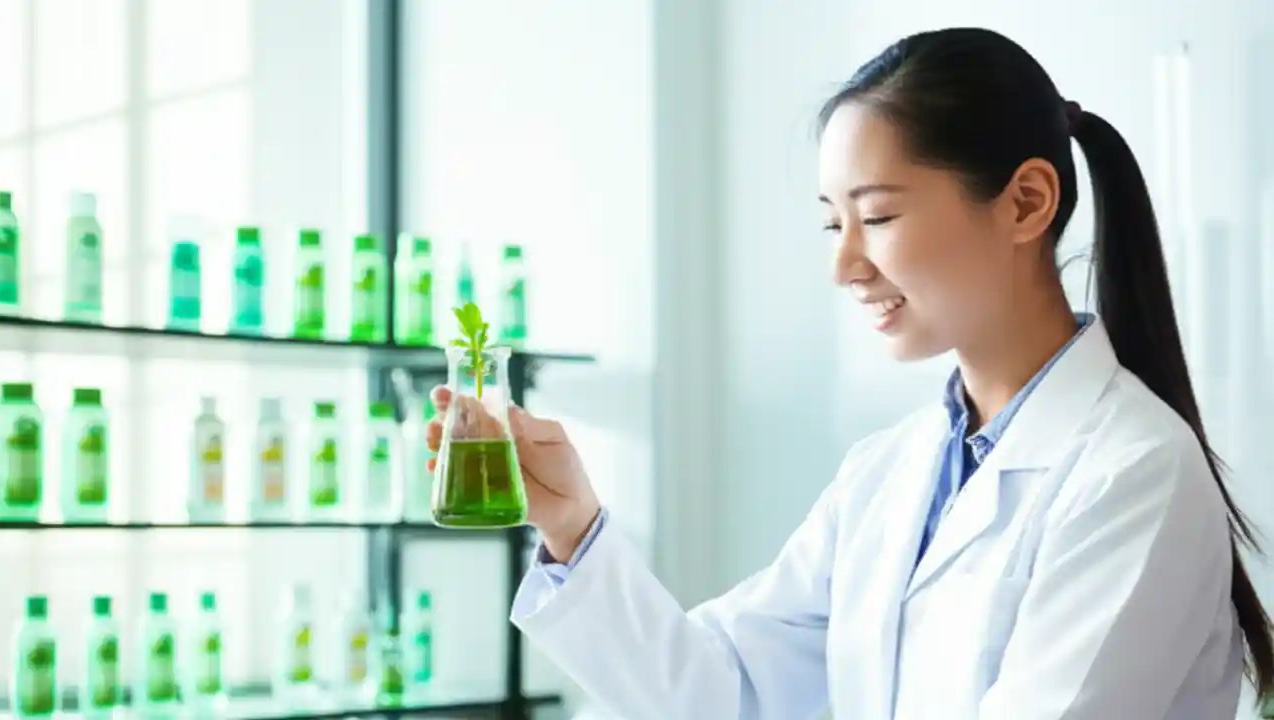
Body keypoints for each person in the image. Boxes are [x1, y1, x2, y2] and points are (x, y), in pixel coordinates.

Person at [426, 27, 1271, 719]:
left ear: (1026, 202)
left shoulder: (1133, 472)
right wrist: (574, 525)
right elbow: (725, 692)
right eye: (835, 224)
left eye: (880, 215)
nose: (847, 265)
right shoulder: (889, 473)